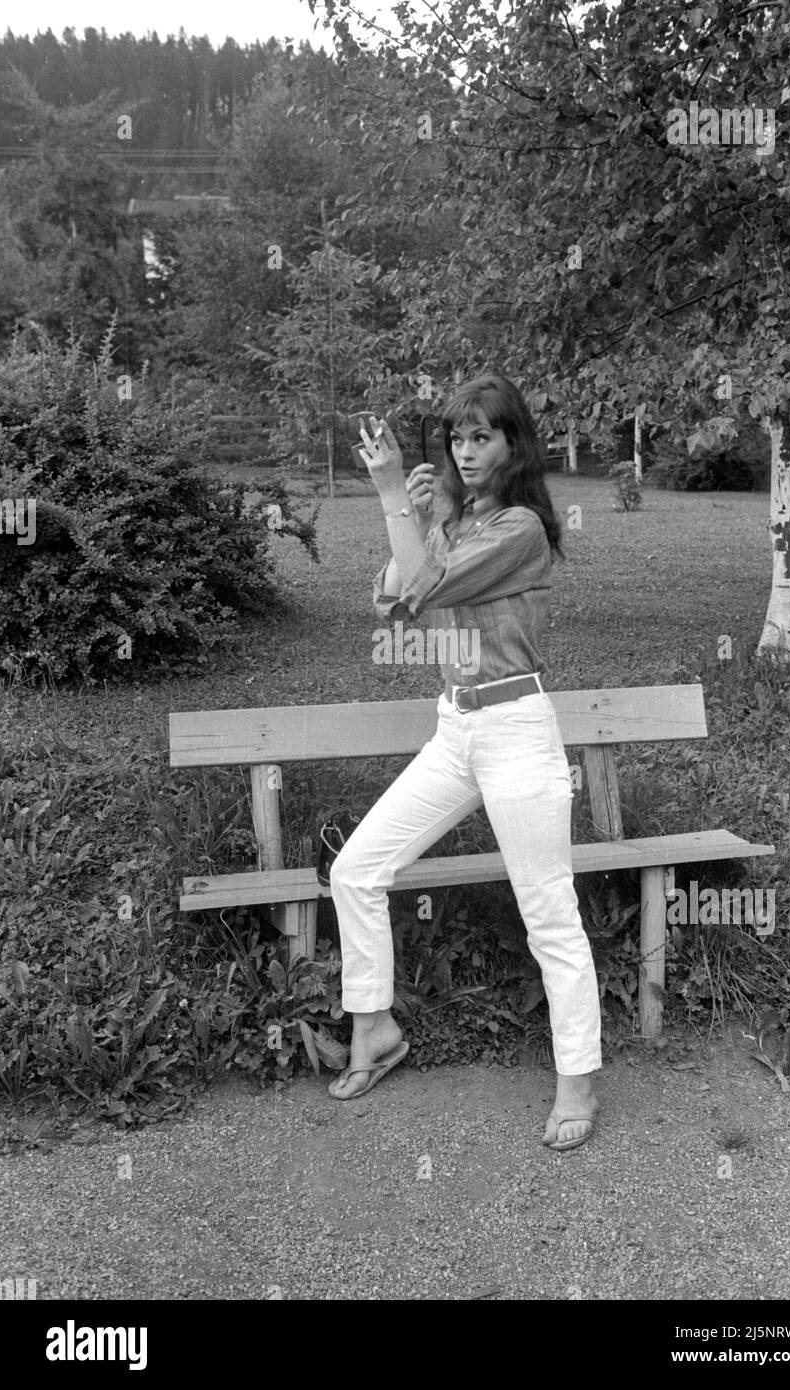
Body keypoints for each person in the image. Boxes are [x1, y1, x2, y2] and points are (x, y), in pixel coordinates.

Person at [327, 373, 601, 1151]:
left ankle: (577, 1078)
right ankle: (374, 1028)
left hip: (516, 728)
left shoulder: (520, 530)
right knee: (357, 869)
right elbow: (393, 599)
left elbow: (424, 585)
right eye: (456, 437)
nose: (465, 449)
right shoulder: (458, 518)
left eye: (482, 436)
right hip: (457, 731)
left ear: (514, 443)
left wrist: (393, 499)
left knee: (548, 913)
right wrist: (416, 512)